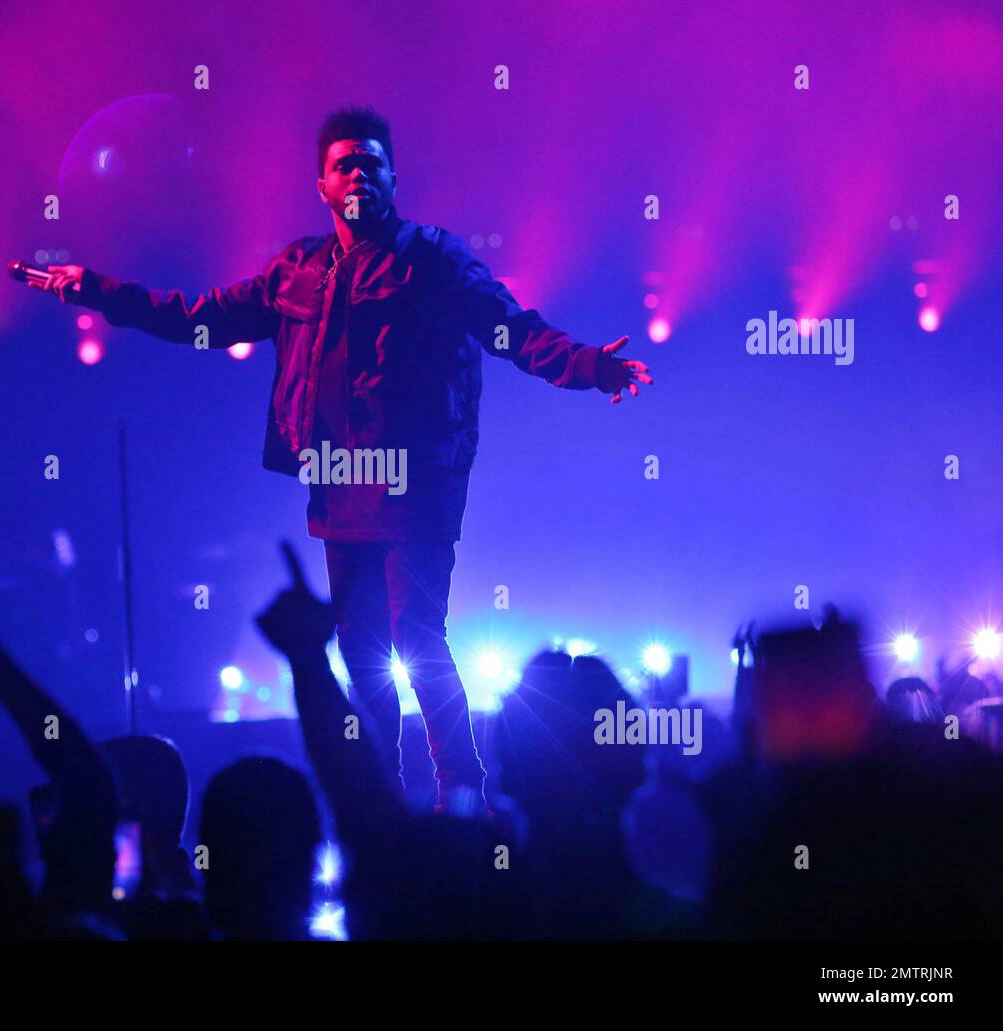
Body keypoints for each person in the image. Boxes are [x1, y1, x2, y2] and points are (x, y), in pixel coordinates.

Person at [34, 106, 652, 810]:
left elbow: (509, 328)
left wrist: (589, 366)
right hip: (338, 487)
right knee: (361, 652)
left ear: (393, 177)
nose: (358, 174)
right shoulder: (297, 270)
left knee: (418, 636)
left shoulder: (434, 258)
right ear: (322, 186)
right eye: (343, 166)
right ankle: (380, 795)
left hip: (416, 484)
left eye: (370, 163)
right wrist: (91, 289)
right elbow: (196, 318)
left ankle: (464, 792)